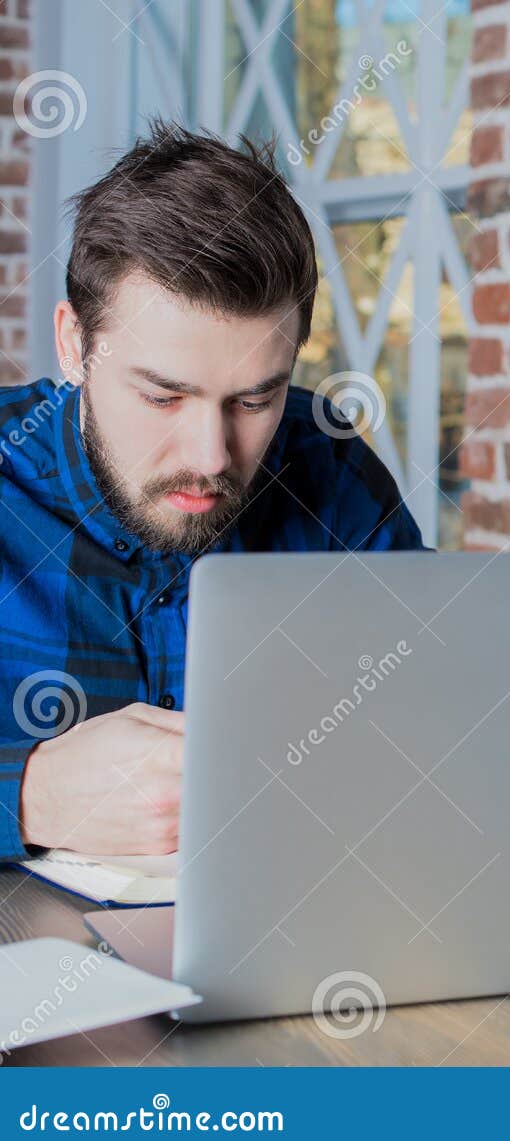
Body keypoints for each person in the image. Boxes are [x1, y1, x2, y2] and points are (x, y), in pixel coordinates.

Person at [0, 121, 421, 862]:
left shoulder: (331, 469)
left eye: (254, 400)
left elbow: (441, 725)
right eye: (164, 397)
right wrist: (28, 794)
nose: (211, 456)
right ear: (73, 345)